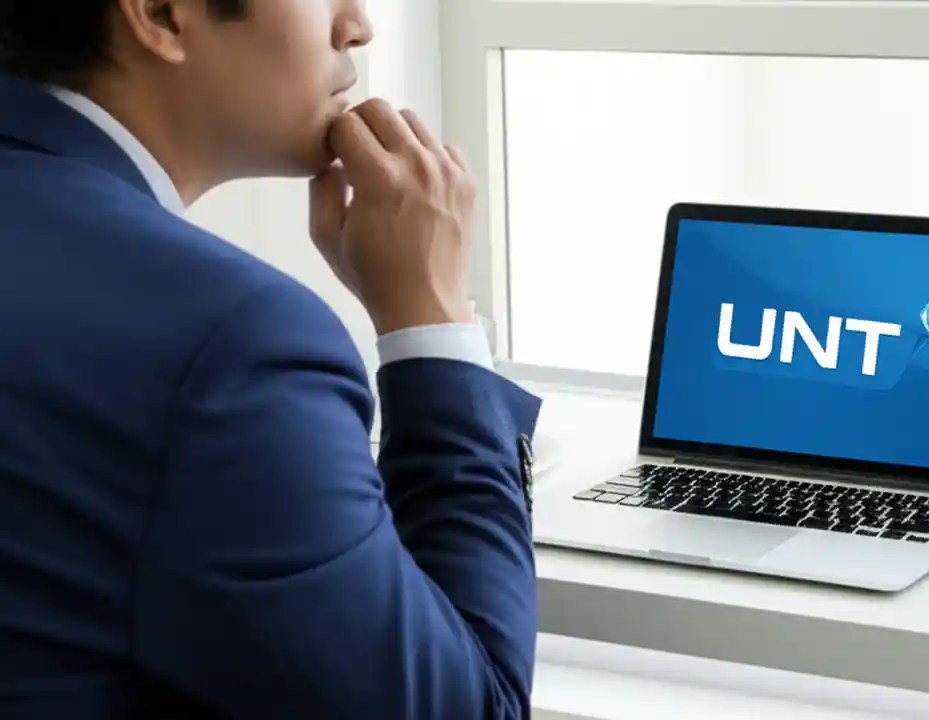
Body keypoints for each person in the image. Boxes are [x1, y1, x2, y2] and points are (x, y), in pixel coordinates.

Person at [0, 0, 541, 717]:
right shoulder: (232, 345)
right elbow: (476, 708)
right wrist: (431, 321)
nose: (357, 24)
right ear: (161, 14)